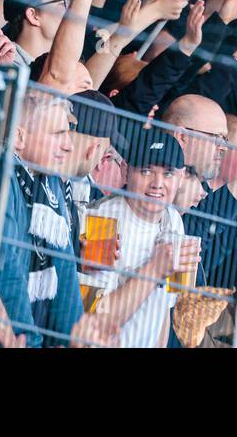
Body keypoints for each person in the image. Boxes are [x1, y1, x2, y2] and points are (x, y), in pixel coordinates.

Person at [78, 125, 199, 347]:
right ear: (125, 171)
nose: (157, 183)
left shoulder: (173, 220)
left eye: (168, 173)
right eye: (146, 171)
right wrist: (154, 269)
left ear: (181, 178)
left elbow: (164, 310)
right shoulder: (101, 220)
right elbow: (92, 320)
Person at [0, 90, 81, 348]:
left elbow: (66, 274)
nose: (69, 145)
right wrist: (30, 344)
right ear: (19, 136)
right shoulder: (3, 176)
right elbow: (5, 276)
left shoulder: (50, 182)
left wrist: (76, 341)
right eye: (58, 135)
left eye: (68, 133)